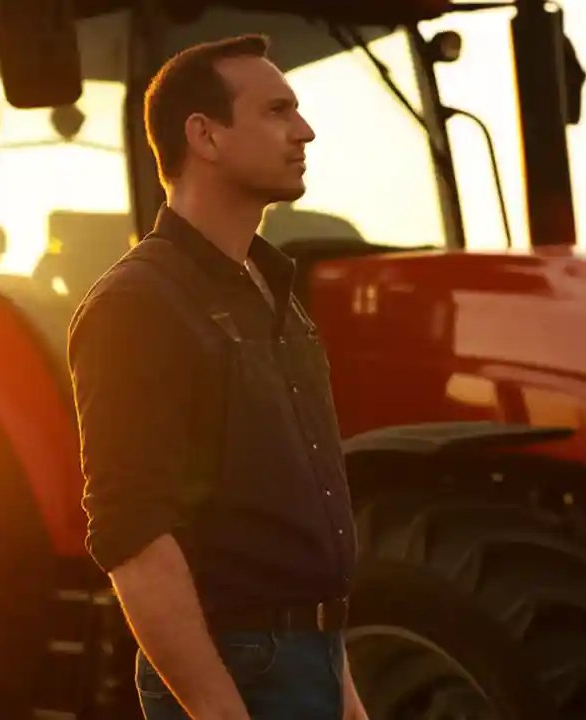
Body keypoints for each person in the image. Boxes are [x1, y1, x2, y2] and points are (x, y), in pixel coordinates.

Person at [67, 34, 368, 720]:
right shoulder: (136, 305)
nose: (305, 131)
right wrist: (218, 711)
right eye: (277, 111)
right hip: (237, 669)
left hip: (306, 660)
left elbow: (296, 521)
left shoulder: (274, 292)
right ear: (204, 135)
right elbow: (132, 533)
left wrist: (343, 692)